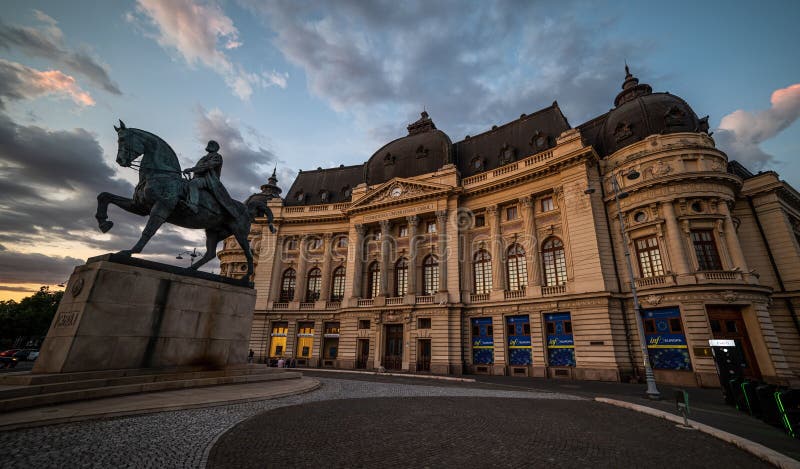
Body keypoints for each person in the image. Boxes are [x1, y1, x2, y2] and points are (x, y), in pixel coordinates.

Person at [183, 140, 239, 217]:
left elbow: (207, 166)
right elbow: (199, 168)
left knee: (194, 183)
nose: (209, 146)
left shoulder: (217, 157)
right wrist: (191, 171)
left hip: (209, 180)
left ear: (215, 148)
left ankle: (193, 205)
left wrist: (191, 169)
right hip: (199, 177)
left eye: (211, 145)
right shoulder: (204, 157)